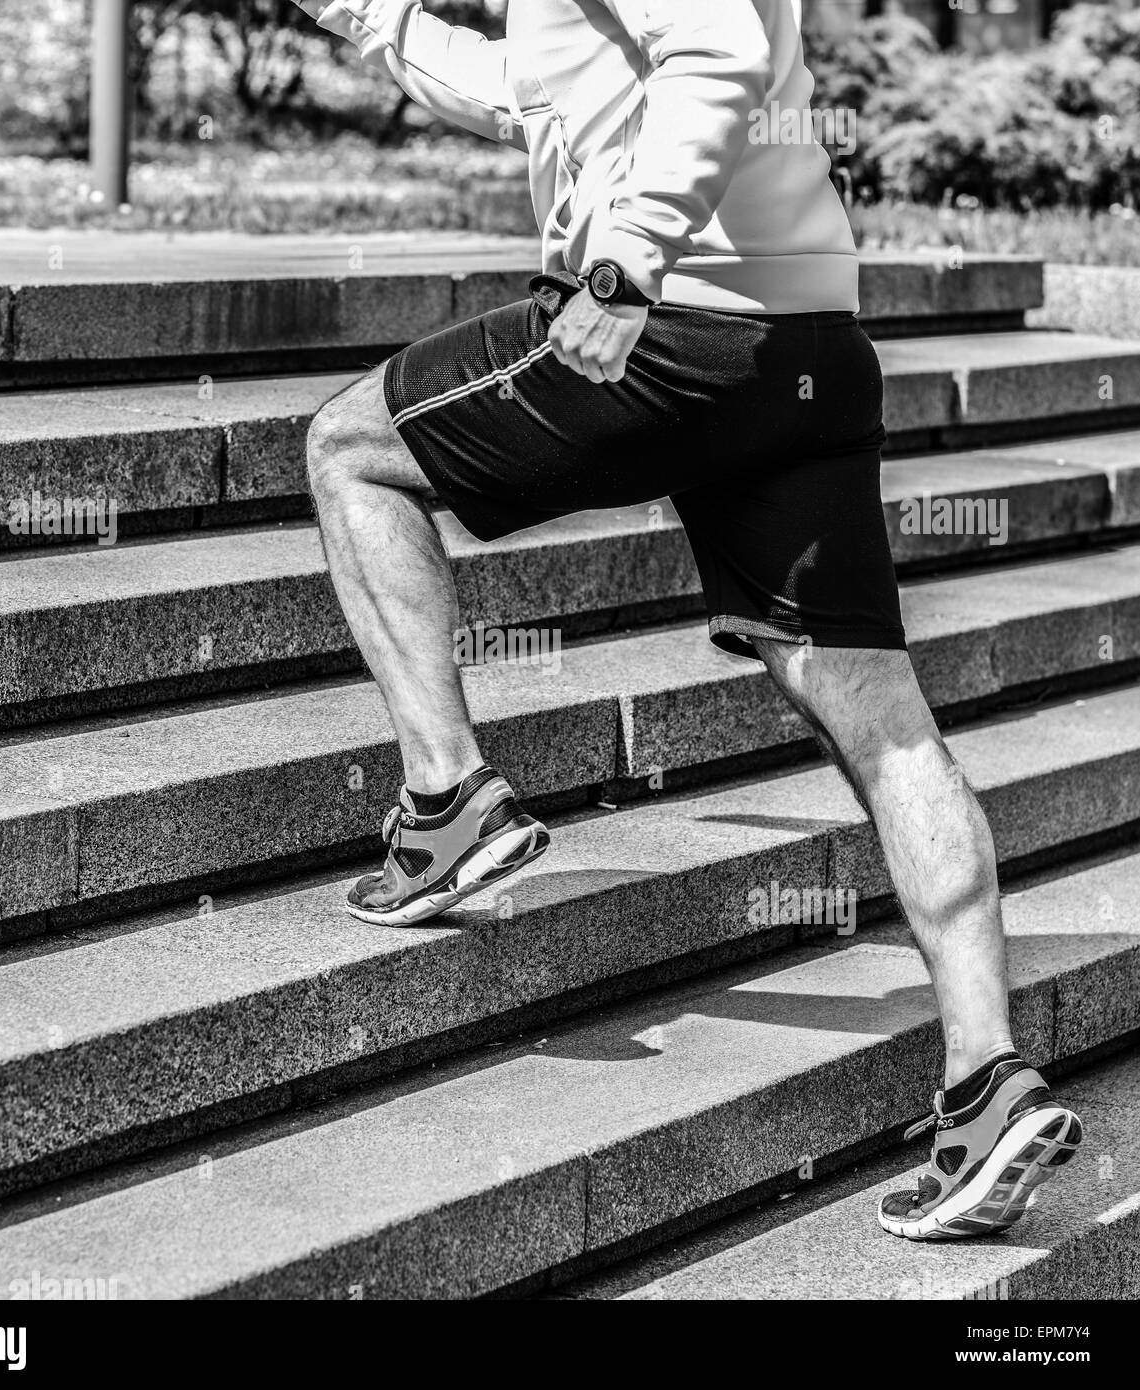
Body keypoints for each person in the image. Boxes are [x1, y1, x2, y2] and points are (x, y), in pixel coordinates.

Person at [291, 0, 1082, 1240]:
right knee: (883, 724)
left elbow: (714, 49)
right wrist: (366, 16)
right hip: (803, 348)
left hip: (673, 325)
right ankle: (986, 1084)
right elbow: (531, 87)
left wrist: (623, 266)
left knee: (348, 451)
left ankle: (445, 800)